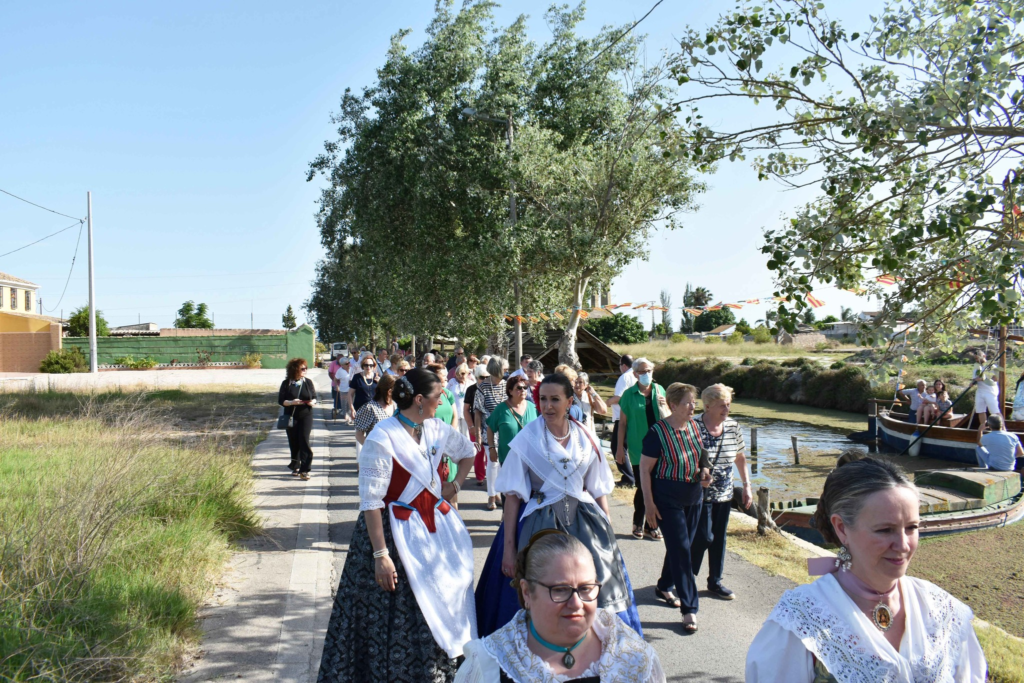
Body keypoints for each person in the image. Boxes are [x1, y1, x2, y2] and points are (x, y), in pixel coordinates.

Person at [745, 458, 987, 682]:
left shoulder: (942, 611)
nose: (903, 545)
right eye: (884, 530)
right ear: (841, 529)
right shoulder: (801, 621)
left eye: (912, 527)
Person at [317, 369, 478, 682]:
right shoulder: (383, 436)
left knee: (444, 596)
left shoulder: (435, 429)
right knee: (398, 611)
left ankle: (443, 670)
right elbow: (371, 502)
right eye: (436, 396)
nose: (442, 400)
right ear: (419, 400)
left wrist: (455, 485)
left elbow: (468, 452)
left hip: (432, 528)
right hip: (392, 533)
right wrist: (381, 554)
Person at [475, 374, 642, 638]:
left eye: (555, 399)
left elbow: (598, 489)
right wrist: (509, 549)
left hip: (586, 524)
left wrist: (608, 531)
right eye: (542, 399)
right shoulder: (527, 439)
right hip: (537, 525)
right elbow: (513, 497)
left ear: (569, 401)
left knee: (593, 587)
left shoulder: (586, 437)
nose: (548, 406)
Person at [457, 531, 666, 683]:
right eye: (560, 590)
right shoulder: (490, 665)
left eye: (585, 588)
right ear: (527, 592)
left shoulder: (632, 655)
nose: (576, 603)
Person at [640, 382, 710, 633]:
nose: (694, 406)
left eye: (694, 402)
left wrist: (705, 470)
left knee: (684, 546)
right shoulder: (657, 432)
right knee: (682, 551)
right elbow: (645, 470)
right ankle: (689, 609)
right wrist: (649, 504)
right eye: (688, 402)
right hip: (667, 496)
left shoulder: (694, 426)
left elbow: (702, 454)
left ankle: (664, 585)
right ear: (672, 405)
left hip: (694, 495)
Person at [691, 383, 751, 600]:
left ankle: (715, 581)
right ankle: (688, 578)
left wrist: (746, 486)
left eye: (728, 405)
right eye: (722, 406)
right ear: (707, 406)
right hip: (698, 492)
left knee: (719, 538)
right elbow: (684, 458)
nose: (726, 410)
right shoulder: (693, 425)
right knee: (703, 537)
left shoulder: (733, 426)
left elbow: (740, 457)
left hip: (724, 493)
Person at [616, 357, 668, 540]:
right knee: (643, 485)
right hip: (639, 447)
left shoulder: (659, 390)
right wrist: (620, 449)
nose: (647, 374)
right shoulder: (629, 395)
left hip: (661, 446)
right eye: (643, 371)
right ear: (635, 373)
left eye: (649, 370)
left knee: (657, 486)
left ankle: (651, 526)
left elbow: (669, 417)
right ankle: (638, 522)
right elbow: (622, 424)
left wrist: (666, 406)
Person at [484, 375, 539, 510]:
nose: (523, 390)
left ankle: (524, 518)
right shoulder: (501, 409)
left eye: (525, 387)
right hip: (508, 457)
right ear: (510, 391)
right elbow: (490, 428)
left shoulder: (533, 407)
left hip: (530, 457)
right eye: (519, 388)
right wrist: (492, 448)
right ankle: (506, 518)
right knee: (509, 489)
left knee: (528, 489)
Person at [474, 356, 508, 507]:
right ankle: (491, 496)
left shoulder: (507, 385)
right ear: (497, 369)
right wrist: (477, 433)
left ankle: (500, 493)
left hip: (505, 429)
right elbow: (477, 412)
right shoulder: (482, 387)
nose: (507, 372)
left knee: (503, 465)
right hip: (490, 429)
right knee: (492, 464)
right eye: (505, 369)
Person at [278, 358, 318, 481]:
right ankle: (296, 465)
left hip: (306, 415)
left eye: (306, 368)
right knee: (294, 440)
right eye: (302, 368)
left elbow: (314, 396)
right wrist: (291, 402)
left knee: (304, 440)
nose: (305, 371)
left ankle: (305, 469)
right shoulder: (286, 383)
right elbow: (281, 401)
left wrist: (313, 402)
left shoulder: (308, 382)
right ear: (295, 369)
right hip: (291, 415)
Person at [607, 355, 637, 486]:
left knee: (618, 447)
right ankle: (631, 476)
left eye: (620, 365)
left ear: (624, 365)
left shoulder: (625, 377)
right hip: (634, 417)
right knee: (629, 448)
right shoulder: (636, 376)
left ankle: (629, 478)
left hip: (623, 417)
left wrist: (607, 402)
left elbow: (619, 397)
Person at [354, 374, 397, 446]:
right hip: (378, 454)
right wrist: (371, 449)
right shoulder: (370, 408)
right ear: (389, 392)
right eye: (398, 390)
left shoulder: (396, 405)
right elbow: (359, 435)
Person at [972, 350, 1001, 439]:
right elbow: (975, 378)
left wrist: (984, 377)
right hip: (980, 390)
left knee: (994, 411)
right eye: (976, 358)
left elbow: (996, 379)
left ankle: (1001, 428)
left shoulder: (992, 366)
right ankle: (983, 428)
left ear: (984, 356)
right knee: (980, 410)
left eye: (978, 357)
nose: (977, 359)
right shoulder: (976, 367)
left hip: (990, 391)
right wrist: (975, 380)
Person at [465, 366, 485, 485]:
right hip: (475, 424)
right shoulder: (471, 390)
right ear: (477, 377)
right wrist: (471, 426)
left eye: (488, 377)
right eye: (482, 377)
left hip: (490, 425)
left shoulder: (493, 388)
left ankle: (491, 474)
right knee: (478, 452)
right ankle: (480, 476)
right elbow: (466, 409)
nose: (485, 379)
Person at [574, 371, 608, 440]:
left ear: (586, 385)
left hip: (589, 435)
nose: (577, 385)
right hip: (574, 435)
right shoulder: (569, 397)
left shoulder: (590, 396)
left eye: (580, 382)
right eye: (575, 382)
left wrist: (594, 394)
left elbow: (603, 411)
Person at [447, 362, 472, 438]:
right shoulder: (452, 382)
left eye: (463, 373)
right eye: (458, 373)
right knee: (456, 435)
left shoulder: (471, 383)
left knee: (466, 435)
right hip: (455, 412)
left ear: (468, 373)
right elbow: (446, 394)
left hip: (466, 413)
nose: (460, 376)